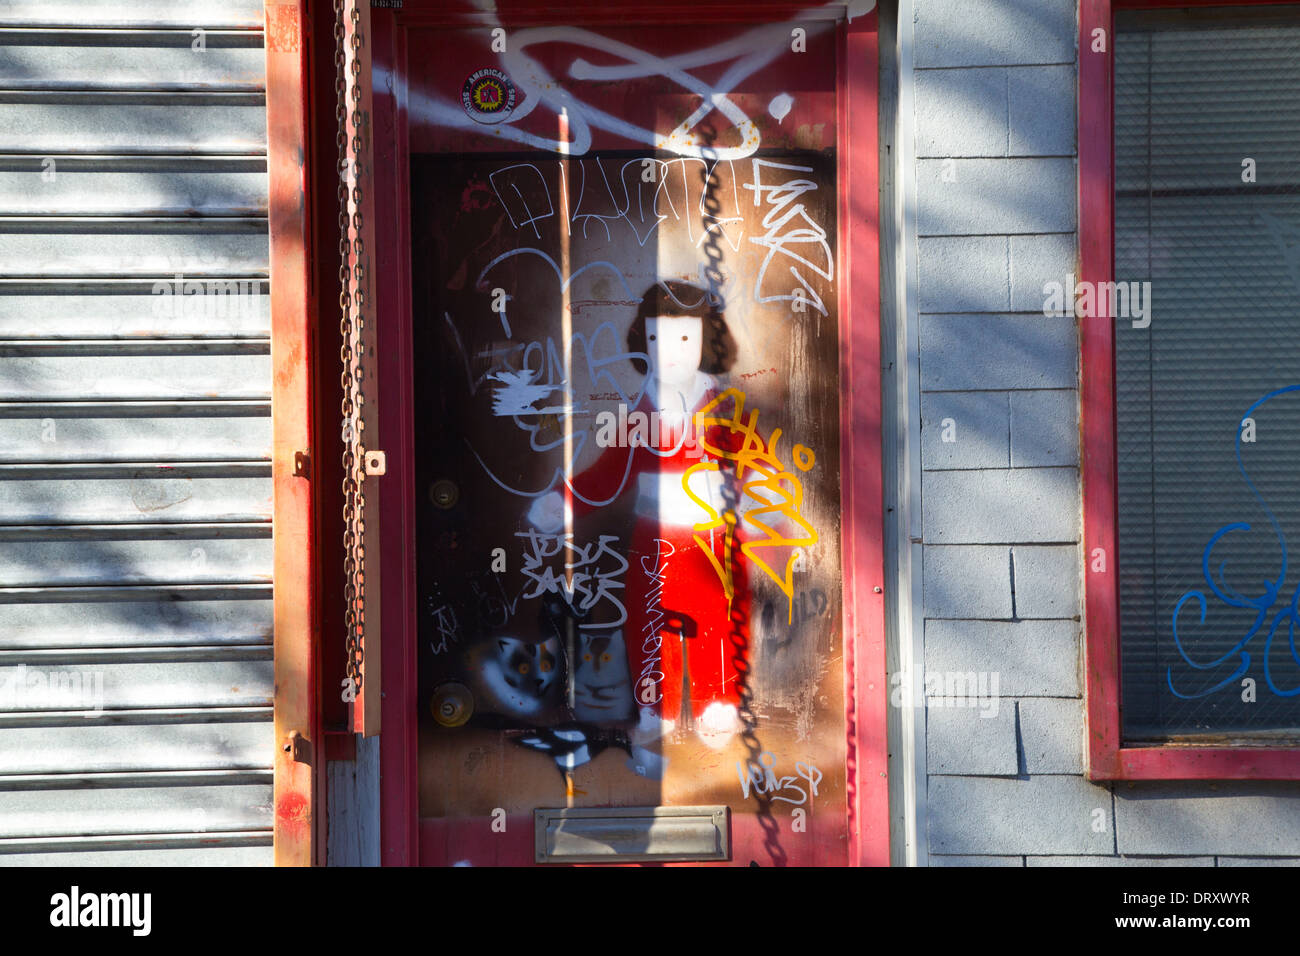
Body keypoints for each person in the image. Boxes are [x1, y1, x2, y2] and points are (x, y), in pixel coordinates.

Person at [527, 280, 749, 768]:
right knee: (649, 620)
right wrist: (563, 502)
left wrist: (766, 506)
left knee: (718, 616)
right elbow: (610, 472)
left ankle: (719, 699)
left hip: (713, 536)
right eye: (657, 340)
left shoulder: (723, 409)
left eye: (684, 339)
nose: (669, 353)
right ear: (643, 342)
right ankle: (655, 704)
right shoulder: (642, 409)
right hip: (653, 536)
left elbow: (751, 463)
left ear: (707, 342)